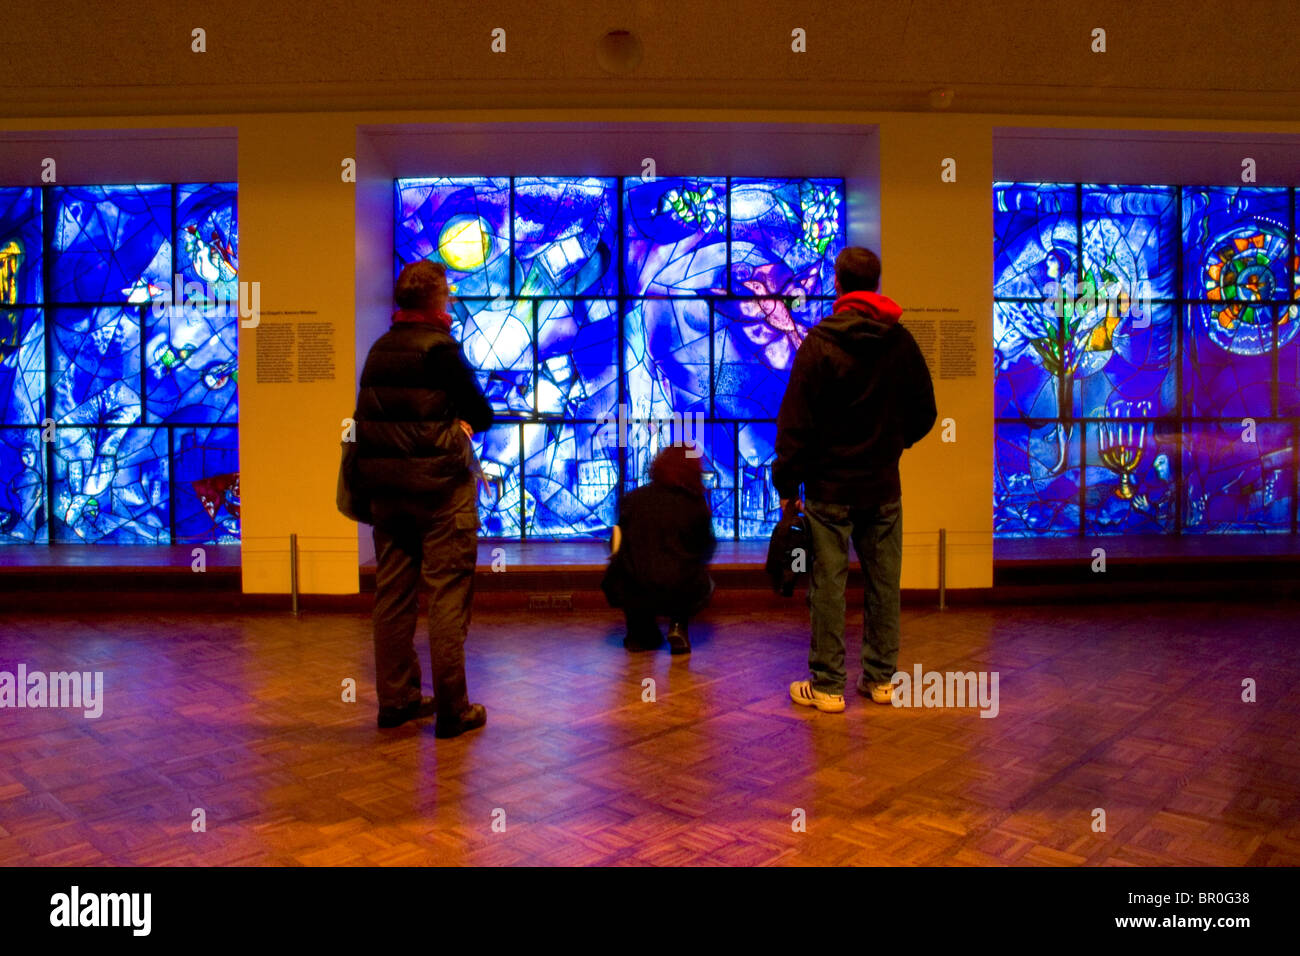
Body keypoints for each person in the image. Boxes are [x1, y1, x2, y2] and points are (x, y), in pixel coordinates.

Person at [774, 247, 936, 713]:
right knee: (885, 583)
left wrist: (788, 485)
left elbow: (796, 425)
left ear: (838, 285)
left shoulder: (819, 345)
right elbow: (926, 414)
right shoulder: (900, 342)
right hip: (883, 487)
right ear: (877, 283)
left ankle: (827, 687)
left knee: (827, 586)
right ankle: (881, 680)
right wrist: (888, 445)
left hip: (828, 490)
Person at [353, 260, 493, 737]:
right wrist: (456, 425)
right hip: (439, 495)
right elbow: (482, 413)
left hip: (388, 496)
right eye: (448, 295)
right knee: (447, 596)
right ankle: (453, 710)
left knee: (392, 597)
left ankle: (397, 700)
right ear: (437, 301)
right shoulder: (440, 350)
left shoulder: (379, 350)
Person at [601, 444, 716, 655]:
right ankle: (678, 625)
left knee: (628, 573)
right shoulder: (694, 503)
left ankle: (640, 634)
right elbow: (706, 547)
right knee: (695, 576)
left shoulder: (634, 499)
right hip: (679, 588)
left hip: (635, 586)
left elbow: (617, 543)